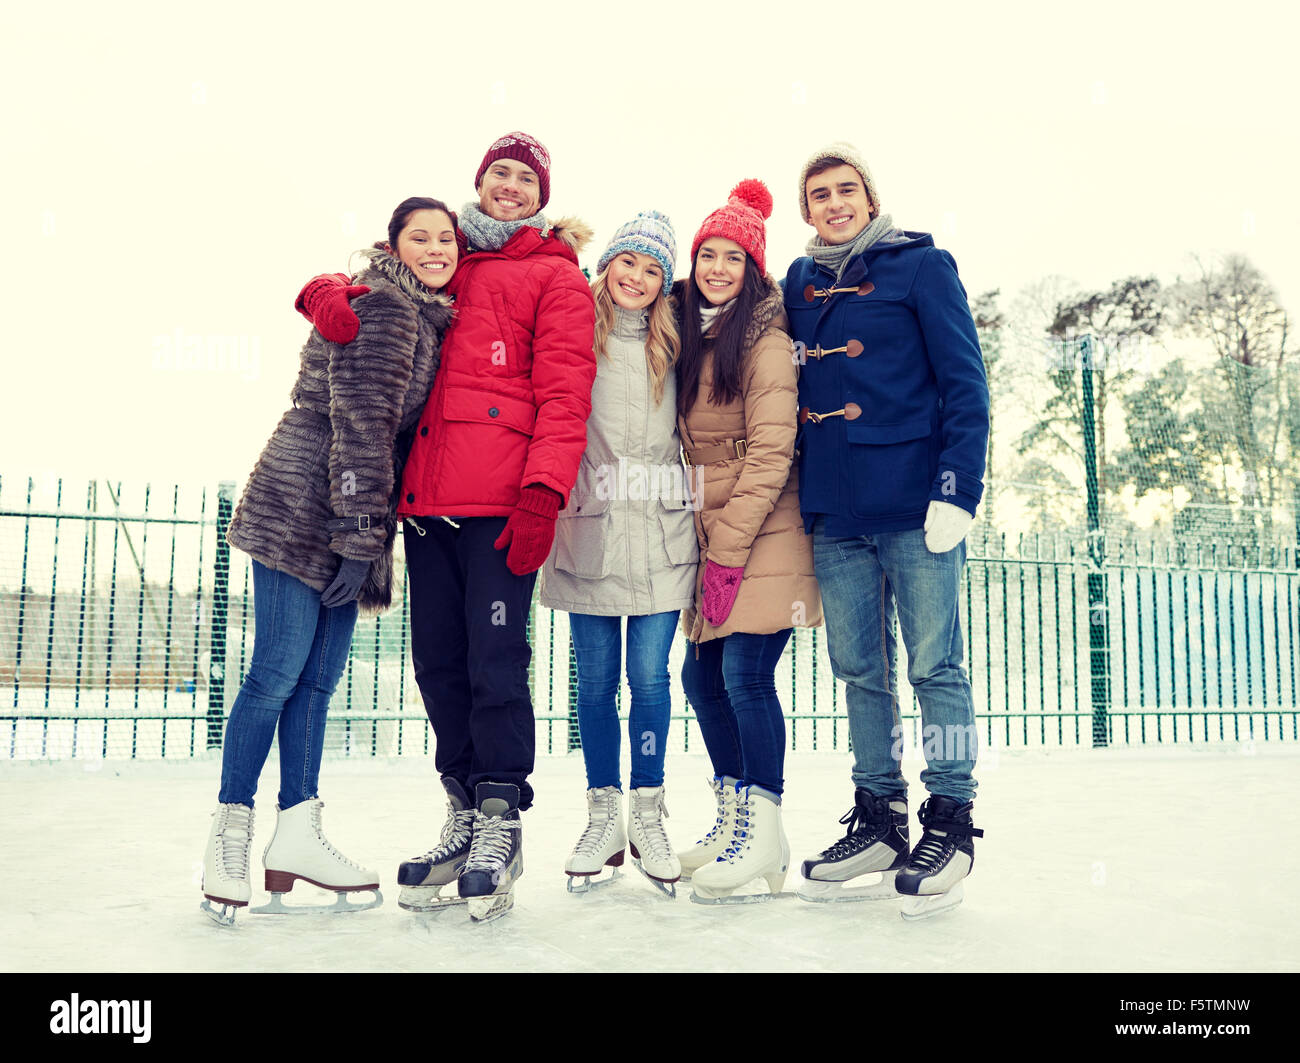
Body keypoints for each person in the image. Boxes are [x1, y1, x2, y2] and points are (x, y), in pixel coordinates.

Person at [296, 132, 596, 922]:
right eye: (498, 172)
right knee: (438, 662)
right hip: (428, 503)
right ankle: (461, 807)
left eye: (525, 179)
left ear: (540, 195)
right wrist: (326, 292)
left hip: (502, 502)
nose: (509, 187)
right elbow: (373, 270)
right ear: (479, 181)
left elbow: (566, 393)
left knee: (496, 657)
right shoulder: (449, 255)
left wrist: (543, 491)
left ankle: (501, 818)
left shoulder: (557, 279)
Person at [200, 197, 459, 926]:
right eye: (421, 237)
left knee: (316, 683)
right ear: (395, 244)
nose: (436, 248)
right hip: (304, 502)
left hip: (348, 512)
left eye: (446, 238)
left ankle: (298, 833)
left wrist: (364, 531)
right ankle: (230, 833)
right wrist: (360, 529)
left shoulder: (422, 314)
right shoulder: (387, 309)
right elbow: (363, 420)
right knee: (278, 670)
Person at [783, 142, 989, 918]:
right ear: (807, 211)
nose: (834, 204)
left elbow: (966, 383)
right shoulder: (796, 283)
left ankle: (952, 820)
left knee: (936, 666)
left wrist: (957, 488)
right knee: (858, 669)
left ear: (869, 198)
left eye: (846, 191)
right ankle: (878, 817)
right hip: (836, 510)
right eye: (819, 195)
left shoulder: (921, 266)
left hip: (915, 505)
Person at [538, 211, 697, 897]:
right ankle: (602, 812)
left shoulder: (677, 342)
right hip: (591, 527)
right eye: (627, 262)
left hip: (664, 534)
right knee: (596, 684)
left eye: (652, 269)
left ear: (665, 283)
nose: (636, 277)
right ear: (607, 266)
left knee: (652, 680)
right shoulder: (577, 329)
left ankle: (648, 813)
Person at [673, 179, 823, 905]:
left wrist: (728, 550)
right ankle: (736, 820)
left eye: (735, 256)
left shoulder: (763, 339)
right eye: (709, 253)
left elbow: (770, 455)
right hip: (714, 529)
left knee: (743, 677)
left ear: (754, 267)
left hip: (766, 527)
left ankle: (765, 828)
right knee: (698, 679)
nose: (719, 267)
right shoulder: (687, 328)